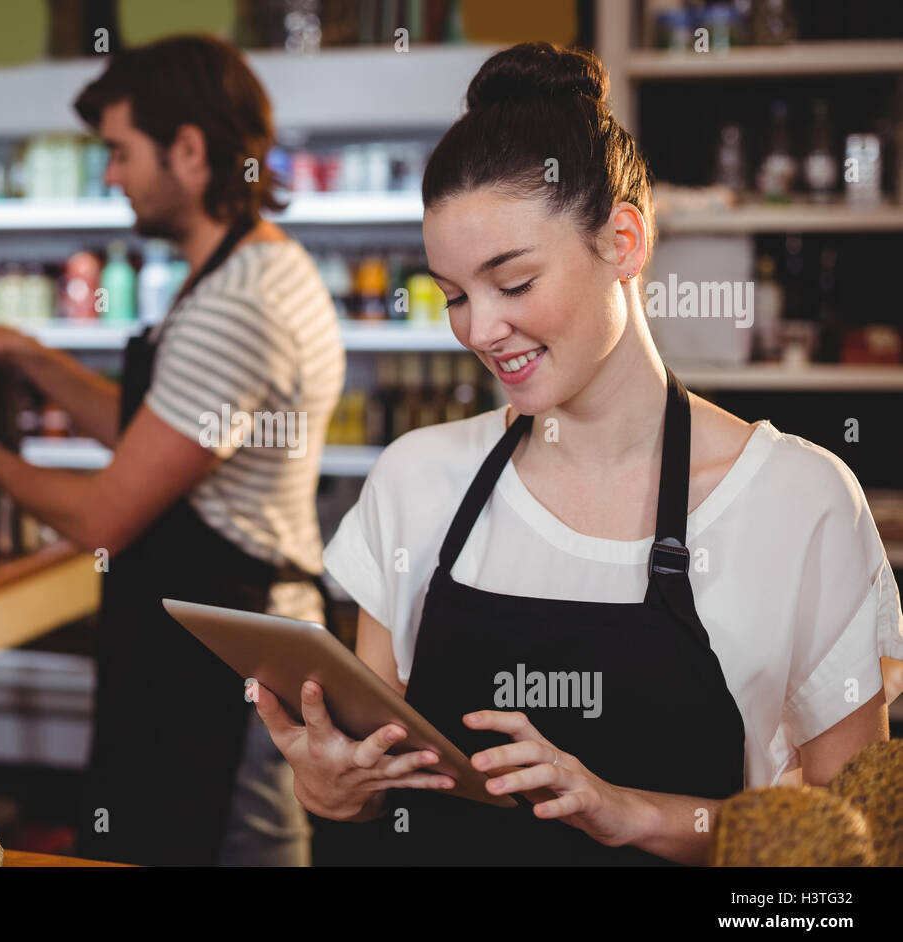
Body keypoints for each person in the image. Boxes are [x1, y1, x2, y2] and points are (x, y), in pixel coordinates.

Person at [253, 41, 903, 865]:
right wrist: (331, 787)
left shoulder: (800, 501)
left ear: (623, 242)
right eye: (454, 295)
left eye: (513, 283)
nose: (480, 329)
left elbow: (857, 844)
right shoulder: (417, 481)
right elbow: (374, 791)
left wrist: (633, 813)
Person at [0, 34, 344, 866]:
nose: (110, 175)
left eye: (118, 152)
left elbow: (108, 516)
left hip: (229, 664)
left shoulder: (237, 304)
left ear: (188, 149)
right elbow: (157, 431)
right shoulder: (242, 272)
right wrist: (28, 355)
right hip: (214, 646)